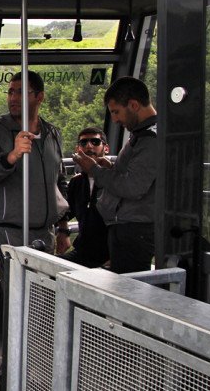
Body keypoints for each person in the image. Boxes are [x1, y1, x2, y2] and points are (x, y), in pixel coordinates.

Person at [0, 71, 70, 276]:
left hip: (46, 231)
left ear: (39, 97)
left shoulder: (52, 134)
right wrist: (11, 157)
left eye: (21, 92)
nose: (13, 98)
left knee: (44, 293)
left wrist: (63, 227)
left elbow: (59, 181)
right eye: (10, 92)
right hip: (10, 229)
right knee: (16, 291)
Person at [72, 76, 156, 273]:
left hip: (135, 229)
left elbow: (133, 187)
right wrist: (110, 166)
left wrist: (94, 170)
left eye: (116, 112)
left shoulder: (150, 140)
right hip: (127, 227)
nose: (116, 120)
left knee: (128, 288)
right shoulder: (141, 136)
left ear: (133, 105)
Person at [58, 127, 110, 268]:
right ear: (78, 149)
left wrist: (117, 256)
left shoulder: (114, 181)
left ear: (106, 148)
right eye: (84, 143)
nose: (89, 146)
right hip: (83, 252)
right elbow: (67, 211)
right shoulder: (77, 182)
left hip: (110, 255)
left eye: (95, 142)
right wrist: (63, 231)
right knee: (48, 270)